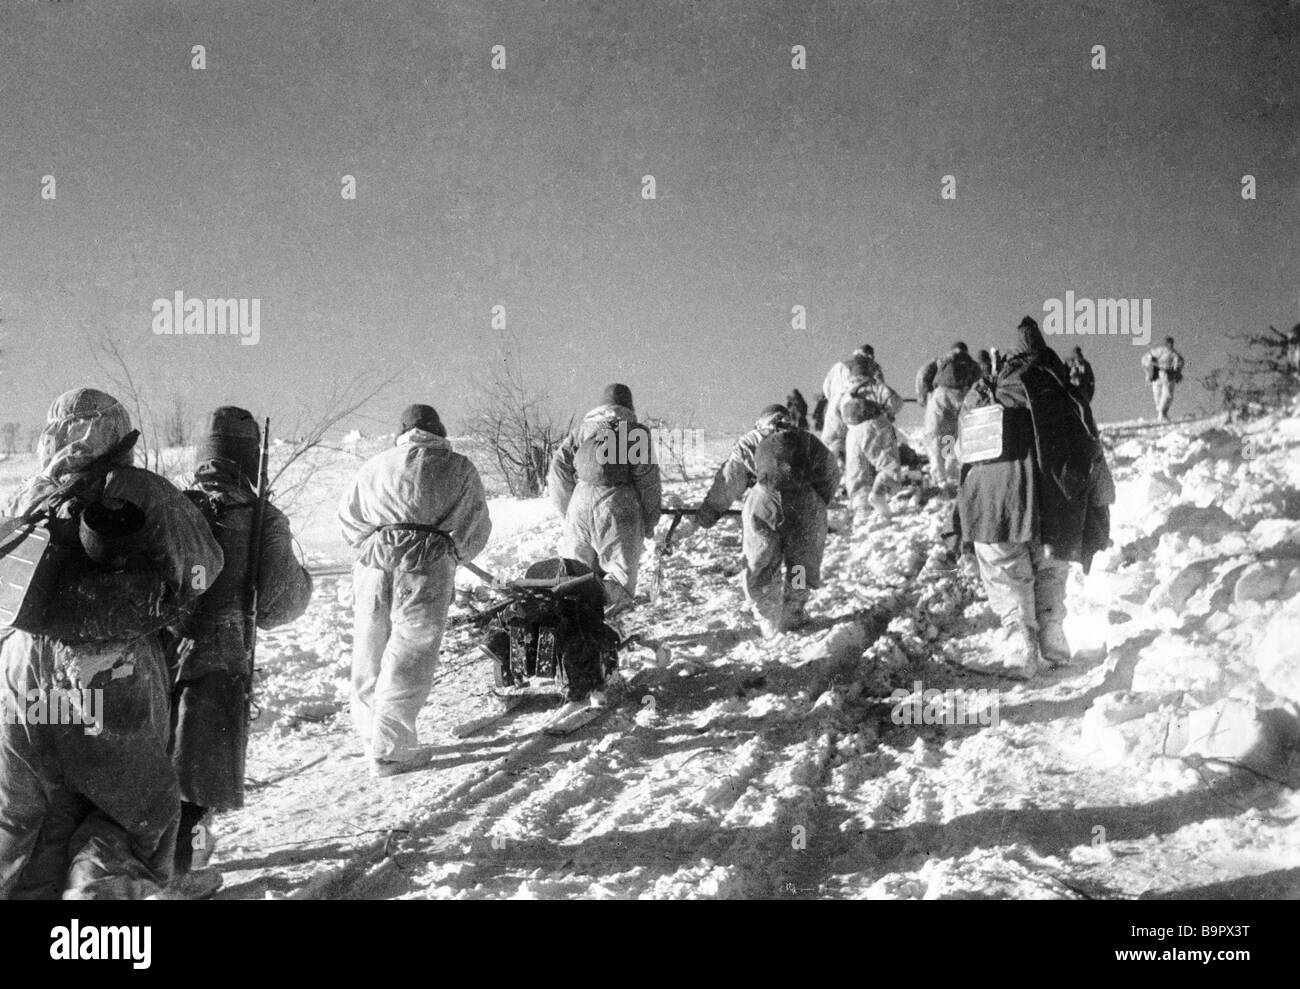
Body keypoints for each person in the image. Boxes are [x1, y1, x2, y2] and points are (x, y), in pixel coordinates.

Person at [0, 388, 223, 899]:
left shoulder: (27, 497)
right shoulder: (143, 488)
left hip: (21, 671)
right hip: (107, 669)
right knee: (128, 810)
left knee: (30, 821)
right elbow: (201, 569)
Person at [168, 407, 313, 897]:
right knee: (199, 775)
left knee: (153, 765)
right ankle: (183, 873)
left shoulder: (171, 504)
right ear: (249, 456)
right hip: (218, 659)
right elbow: (278, 605)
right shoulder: (263, 518)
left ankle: (147, 865)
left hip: (151, 659)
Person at [339, 403, 491, 778]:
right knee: (410, 652)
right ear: (439, 432)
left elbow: (347, 519)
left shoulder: (373, 466)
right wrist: (453, 554)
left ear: (402, 432)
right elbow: (476, 525)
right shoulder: (458, 466)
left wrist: (372, 547)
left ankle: (371, 736)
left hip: (372, 565)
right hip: (425, 565)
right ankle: (392, 750)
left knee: (369, 650)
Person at [957, 317, 1112, 679]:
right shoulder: (1065, 391)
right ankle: (1052, 631)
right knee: (1050, 564)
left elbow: (963, 449)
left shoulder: (984, 388)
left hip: (996, 496)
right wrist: (1102, 502)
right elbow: (1093, 449)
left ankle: (1020, 640)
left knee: (1005, 566)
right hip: (1058, 496)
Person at [547, 384, 661, 617]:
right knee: (620, 576)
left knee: (576, 574)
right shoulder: (634, 431)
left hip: (580, 500)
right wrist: (650, 520)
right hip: (619, 503)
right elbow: (647, 480)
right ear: (629, 406)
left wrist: (567, 512)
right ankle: (608, 622)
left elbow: (557, 471)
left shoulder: (582, 431)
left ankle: (577, 625)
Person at [743, 426, 839, 637]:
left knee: (761, 558)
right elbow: (830, 472)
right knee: (800, 560)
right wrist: (820, 499)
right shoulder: (809, 441)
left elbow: (737, 472)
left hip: (762, 500)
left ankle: (766, 614)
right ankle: (793, 610)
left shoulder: (758, 440)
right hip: (805, 501)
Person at [842, 377, 905, 528]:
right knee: (889, 465)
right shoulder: (875, 384)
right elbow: (896, 402)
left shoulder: (846, 391)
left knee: (858, 473)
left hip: (852, 431)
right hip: (874, 425)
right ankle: (879, 493)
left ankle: (862, 512)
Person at [920, 342, 982, 489]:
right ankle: (952, 477)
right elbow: (979, 380)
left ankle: (940, 480)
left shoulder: (940, 361)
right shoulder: (970, 363)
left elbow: (922, 375)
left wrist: (923, 396)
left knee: (935, 438)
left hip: (939, 397)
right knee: (952, 440)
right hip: (959, 397)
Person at [820, 343, 885, 462]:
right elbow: (880, 390)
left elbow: (826, 387)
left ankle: (834, 467)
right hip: (856, 406)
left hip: (834, 405)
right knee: (858, 441)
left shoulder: (839, 365)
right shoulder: (873, 367)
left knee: (833, 440)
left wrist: (834, 400)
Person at [1141, 336, 1185, 422]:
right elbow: (1145, 359)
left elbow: (1180, 364)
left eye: (1171, 343)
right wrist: (1149, 368)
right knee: (1157, 394)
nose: (1170, 344)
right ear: (1165, 343)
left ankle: (1162, 412)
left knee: (1168, 395)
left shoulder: (1175, 354)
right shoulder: (1157, 351)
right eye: (1168, 343)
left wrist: (1177, 372)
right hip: (1157, 374)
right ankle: (1161, 412)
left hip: (1169, 375)